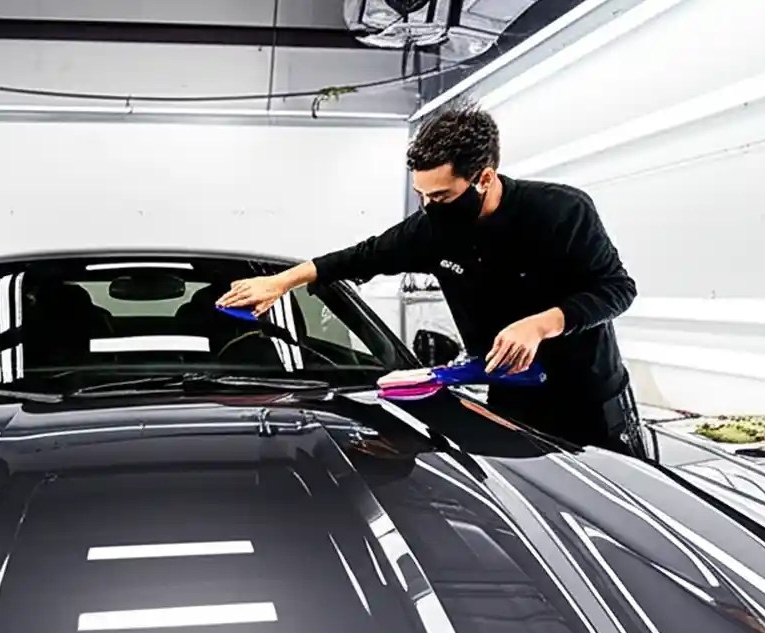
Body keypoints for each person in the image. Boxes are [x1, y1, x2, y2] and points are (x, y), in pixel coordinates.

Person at [217, 104, 645, 457]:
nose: (428, 205)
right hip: (512, 399)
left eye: (440, 196)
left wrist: (541, 324)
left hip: (590, 399)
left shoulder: (561, 211)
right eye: (422, 195)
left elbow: (617, 289)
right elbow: (361, 256)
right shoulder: (432, 229)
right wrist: (280, 282)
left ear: (485, 178)